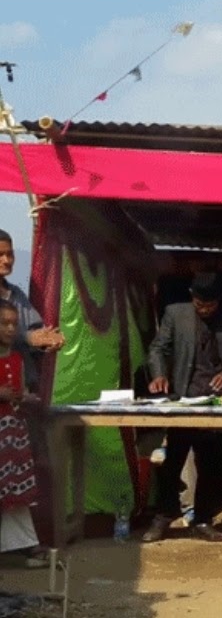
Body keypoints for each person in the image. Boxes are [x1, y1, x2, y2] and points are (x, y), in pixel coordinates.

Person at [142, 272, 222, 543]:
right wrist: (158, 374)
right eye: (199, 304)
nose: (203, 309)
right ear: (192, 297)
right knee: (172, 462)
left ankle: (202, 521)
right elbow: (158, 348)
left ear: (219, 301)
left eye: (209, 305)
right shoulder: (175, 314)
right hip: (184, 397)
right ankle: (164, 516)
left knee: (211, 463)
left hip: (216, 400)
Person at [0, 300, 47, 567]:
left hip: (13, 435)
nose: (9, 329)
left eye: (13, 324)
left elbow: (17, 393)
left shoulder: (17, 358)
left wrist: (25, 398)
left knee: (15, 491)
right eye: (4, 323)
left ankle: (24, 545)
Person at [0, 228, 65, 392]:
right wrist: (26, 338)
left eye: (10, 254)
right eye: (0, 255)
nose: (6, 260)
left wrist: (46, 341)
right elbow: (27, 336)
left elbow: (34, 330)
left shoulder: (16, 294)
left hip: (22, 389)